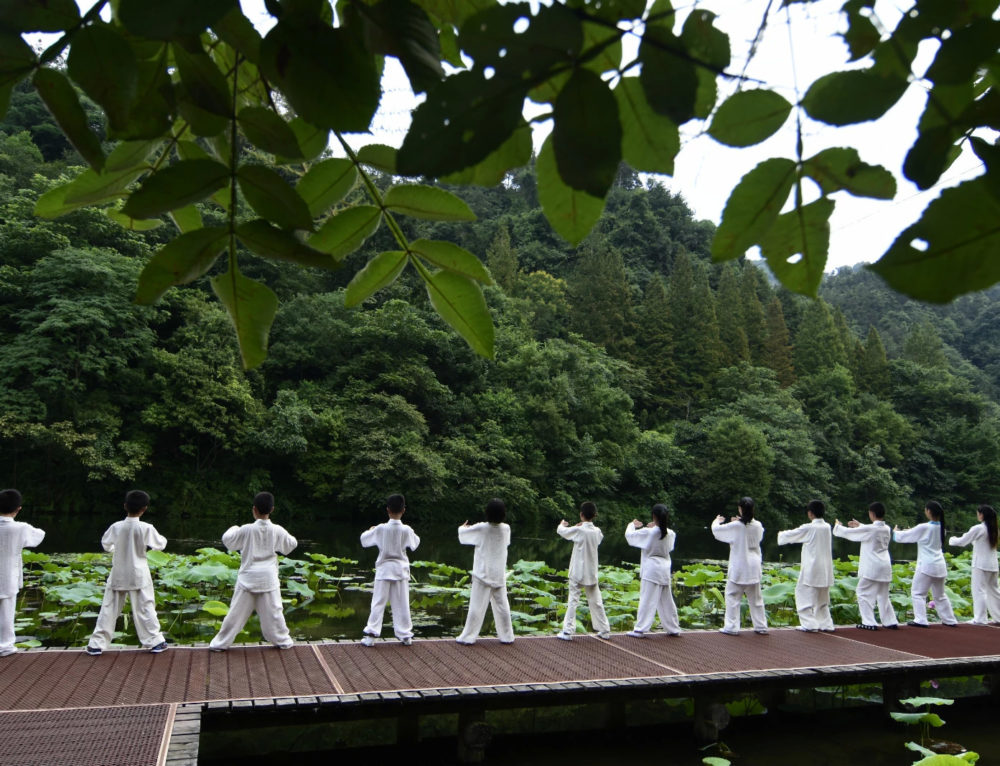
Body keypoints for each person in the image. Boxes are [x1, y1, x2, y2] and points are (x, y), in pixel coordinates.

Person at [209, 491, 298, 651]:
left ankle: (220, 644)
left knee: (234, 615)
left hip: (248, 578)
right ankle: (283, 641)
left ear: (254, 509)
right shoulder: (277, 530)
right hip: (268, 578)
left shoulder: (246, 529)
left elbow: (228, 540)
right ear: (272, 509)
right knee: (274, 614)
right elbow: (292, 544)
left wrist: (234, 527)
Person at [86, 490, 168, 656]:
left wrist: (116, 549)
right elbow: (161, 544)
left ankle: (96, 644)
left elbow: (106, 544)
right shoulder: (146, 528)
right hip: (139, 572)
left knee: (109, 607)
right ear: (144, 509)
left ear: (125, 506)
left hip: (118, 571)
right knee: (145, 607)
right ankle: (154, 641)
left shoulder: (116, 527)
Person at [360, 493, 420, 646]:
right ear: (404, 510)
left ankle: (371, 636)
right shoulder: (406, 530)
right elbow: (415, 543)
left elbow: (364, 540)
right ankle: (406, 635)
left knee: (378, 603)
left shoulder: (381, 529)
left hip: (384, 570)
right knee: (402, 603)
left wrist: (370, 530)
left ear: (387, 510)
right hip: (400, 570)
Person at [456, 498, 513, 645]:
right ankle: (507, 636)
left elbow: (464, 536)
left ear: (487, 513)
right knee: (502, 607)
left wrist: (462, 528)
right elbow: (505, 543)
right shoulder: (506, 529)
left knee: (476, 607)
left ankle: (468, 637)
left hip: (482, 575)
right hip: (499, 574)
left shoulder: (482, 528)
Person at [833, 501, 899, 630]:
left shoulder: (870, 529)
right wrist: (860, 525)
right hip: (884, 566)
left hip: (873, 567)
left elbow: (849, 533)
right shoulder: (887, 528)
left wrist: (837, 527)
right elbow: (870, 530)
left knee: (862, 592)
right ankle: (890, 621)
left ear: (872, 514)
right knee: (883, 595)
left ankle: (869, 622)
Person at [893, 500, 957, 627]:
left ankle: (921, 619)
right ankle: (949, 619)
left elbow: (904, 536)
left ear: (928, 511)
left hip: (927, 565)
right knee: (940, 595)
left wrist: (895, 531)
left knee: (917, 592)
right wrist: (913, 531)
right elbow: (920, 535)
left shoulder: (924, 527)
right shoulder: (942, 528)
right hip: (940, 565)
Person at [712, 497, 768, 635]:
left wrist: (717, 521)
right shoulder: (758, 525)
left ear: (740, 509)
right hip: (754, 566)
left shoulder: (736, 526)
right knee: (756, 599)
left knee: (732, 596)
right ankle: (761, 626)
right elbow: (756, 538)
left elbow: (717, 531)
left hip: (739, 566)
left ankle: (731, 627)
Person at [556, 501, 611, 640]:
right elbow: (598, 539)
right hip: (591, 572)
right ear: (594, 515)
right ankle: (604, 630)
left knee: (573, 601)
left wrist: (563, 524)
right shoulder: (597, 531)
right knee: (596, 601)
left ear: (581, 514)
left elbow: (562, 531)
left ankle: (568, 631)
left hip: (577, 572)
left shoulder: (579, 530)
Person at [624, 503, 680, 638]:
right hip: (665, 568)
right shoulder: (671, 533)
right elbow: (669, 547)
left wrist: (632, 524)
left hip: (651, 569)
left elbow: (630, 537)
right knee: (666, 601)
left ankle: (640, 629)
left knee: (647, 600)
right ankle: (673, 628)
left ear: (654, 516)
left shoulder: (649, 532)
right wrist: (654, 527)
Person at [777, 500, 834, 632]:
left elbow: (792, 535)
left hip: (812, 568)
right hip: (825, 568)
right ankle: (826, 624)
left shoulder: (810, 527)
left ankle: (809, 624)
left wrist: (780, 534)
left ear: (810, 513)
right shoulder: (826, 527)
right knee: (822, 599)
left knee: (802, 594)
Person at [0, 489, 45, 658]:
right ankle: (5, 646)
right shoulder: (21, 528)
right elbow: (39, 535)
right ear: (18, 508)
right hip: (8, 575)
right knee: (6, 611)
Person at [948, 504, 1000, 625]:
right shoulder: (994, 529)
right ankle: (998, 616)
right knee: (994, 591)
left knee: (979, 591)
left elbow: (962, 541)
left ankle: (980, 618)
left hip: (980, 564)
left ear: (982, 514)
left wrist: (952, 539)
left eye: (978, 513)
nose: (977, 515)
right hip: (992, 565)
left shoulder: (979, 528)